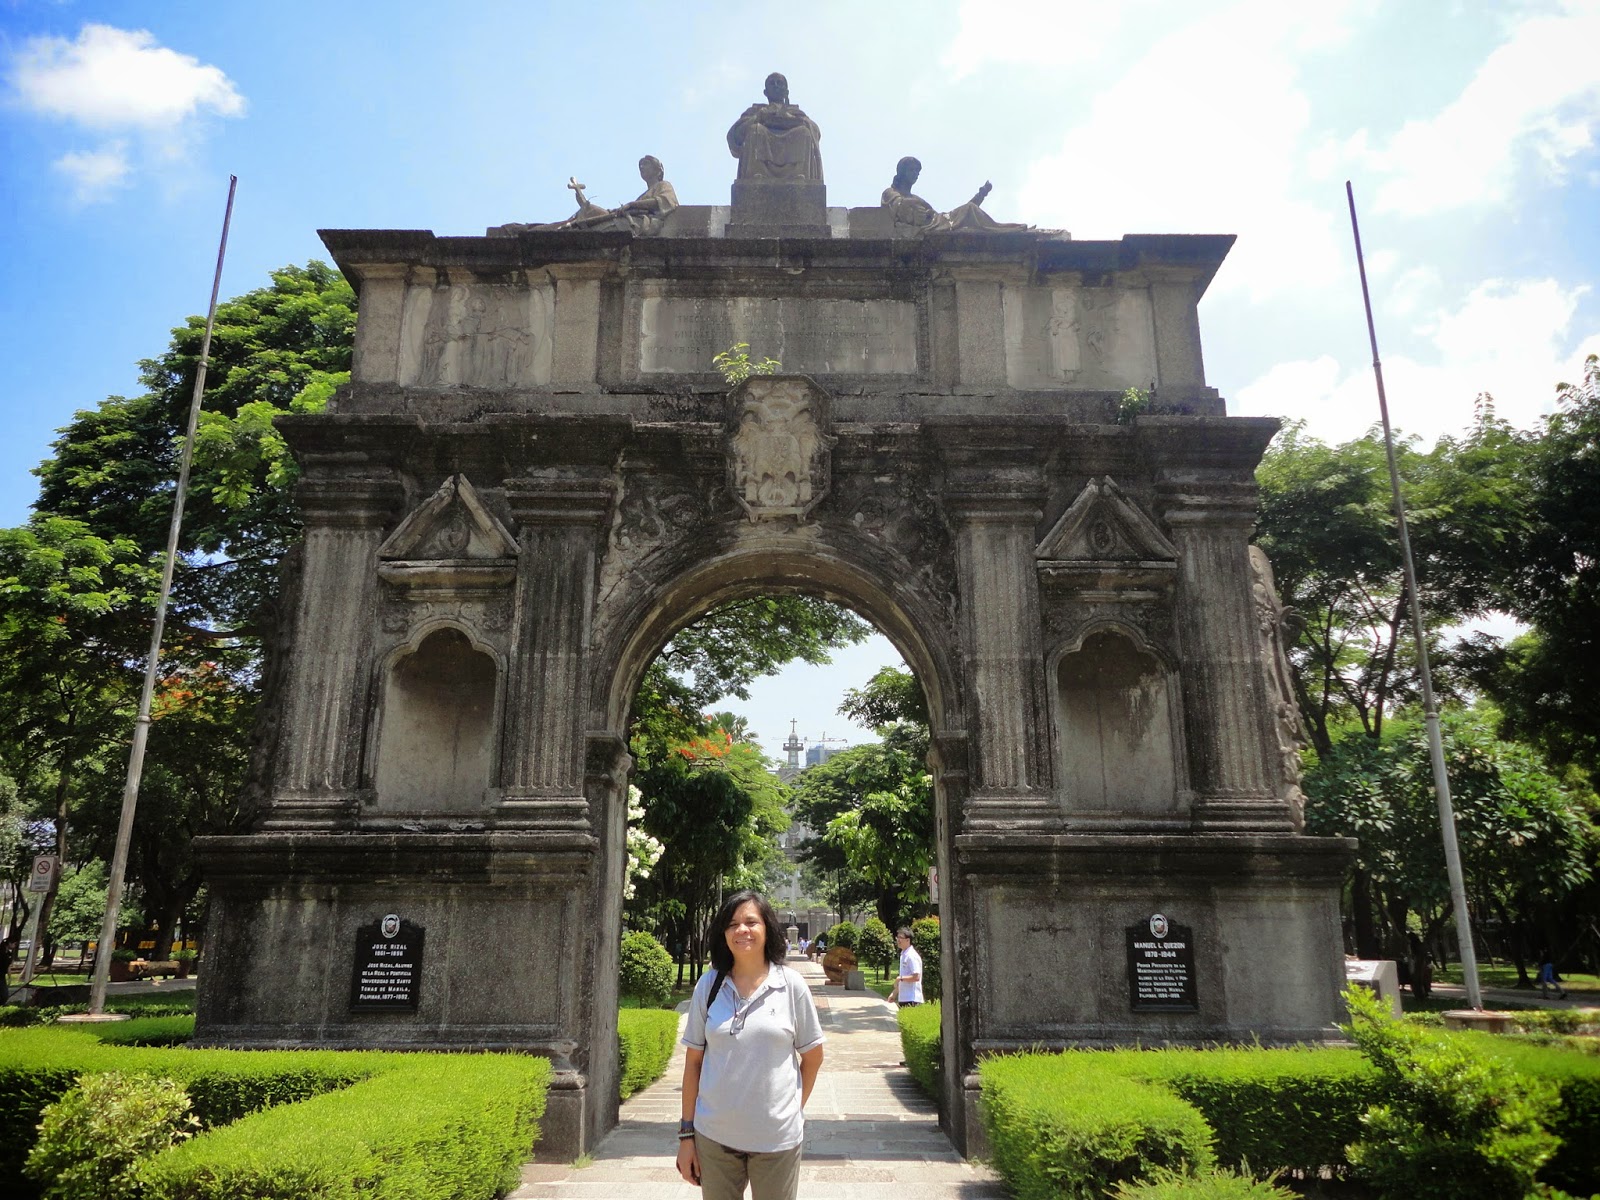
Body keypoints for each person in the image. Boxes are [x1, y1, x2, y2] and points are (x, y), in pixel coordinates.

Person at [677, 890, 825, 1200]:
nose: (741, 930)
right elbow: (693, 1063)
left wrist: (791, 1110)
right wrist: (687, 1136)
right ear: (723, 933)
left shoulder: (791, 986)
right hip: (714, 1137)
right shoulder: (709, 985)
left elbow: (813, 1058)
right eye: (732, 924)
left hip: (776, 1141)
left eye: (751, 922)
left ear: (767, 928)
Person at [881, 156, 1029, 235]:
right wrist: (913, 209)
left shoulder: (917, 198)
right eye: (912, 170)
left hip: (939, 221)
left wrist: (981, 194)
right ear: (902, 172)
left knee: (969, 209)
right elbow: (896, 206)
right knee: (969, 209)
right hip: (934, 225)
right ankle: (1002, 231)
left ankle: (1003, 230)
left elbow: (943, 216)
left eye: (917, 172)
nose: (915, 174)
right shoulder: (890, 192)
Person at [727, 73, 823, 182]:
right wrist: (758, 117)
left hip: (793, 140)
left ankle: (798, 173)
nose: (776, 86)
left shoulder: (796, 112)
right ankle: (758, 173)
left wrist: (790, 117)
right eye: (772, 83)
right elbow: (736, 135)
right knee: (755, 129)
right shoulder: (755, 110)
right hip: (762, 140)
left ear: (786, 91)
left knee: (804, 132)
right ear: (765, 92)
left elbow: (815, 130)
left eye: (779, 83)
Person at [894, 926, 923, 1007]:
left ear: (908, 940)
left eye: (901, 938)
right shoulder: (904, 954)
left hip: (912, 999)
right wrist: (894, 993)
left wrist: (900, 978)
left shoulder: (911, 956)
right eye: (897, 937)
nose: (898, 940)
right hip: (904, 998)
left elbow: (916, 977)